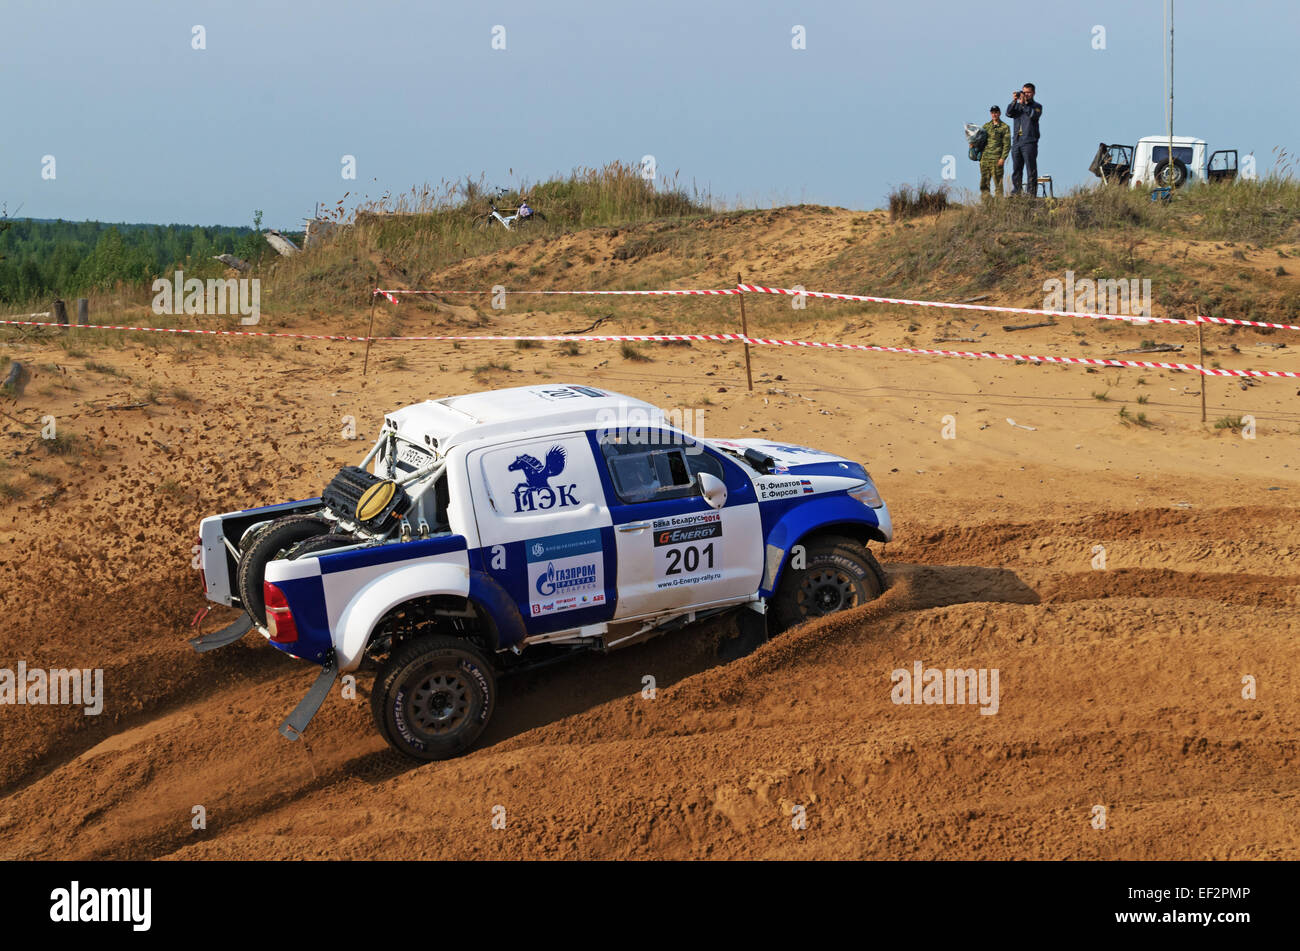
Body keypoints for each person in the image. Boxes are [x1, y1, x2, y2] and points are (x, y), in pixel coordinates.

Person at [1005, 82, 1043, 197]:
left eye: (1028, 92)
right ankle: (1017, 191)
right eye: (1024, 92)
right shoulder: (1017, 106)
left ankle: (1031, 192)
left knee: (1030, 168)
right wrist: (1014, 101)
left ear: (1033, 93)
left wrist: (1024, 104)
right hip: (1017, 141)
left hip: (1029, 141)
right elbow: (1008, 113)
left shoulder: (1037, 106)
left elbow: (1033, 116)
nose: (1026, 94)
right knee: (1016, 168)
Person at [978, 105, 1011, 197]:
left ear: (999, 113)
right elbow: (980, 140)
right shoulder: (986, 126)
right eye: (992, 112)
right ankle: (986, 205)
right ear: (990, 114)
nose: (994, 114)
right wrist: (973, 144)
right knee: (984, 184)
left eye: (996, 112)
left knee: (998, 184)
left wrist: (1003, 158)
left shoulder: (1004, 127)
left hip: (997, 160)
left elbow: (1007, 144)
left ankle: (999, 207)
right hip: (985, 159)